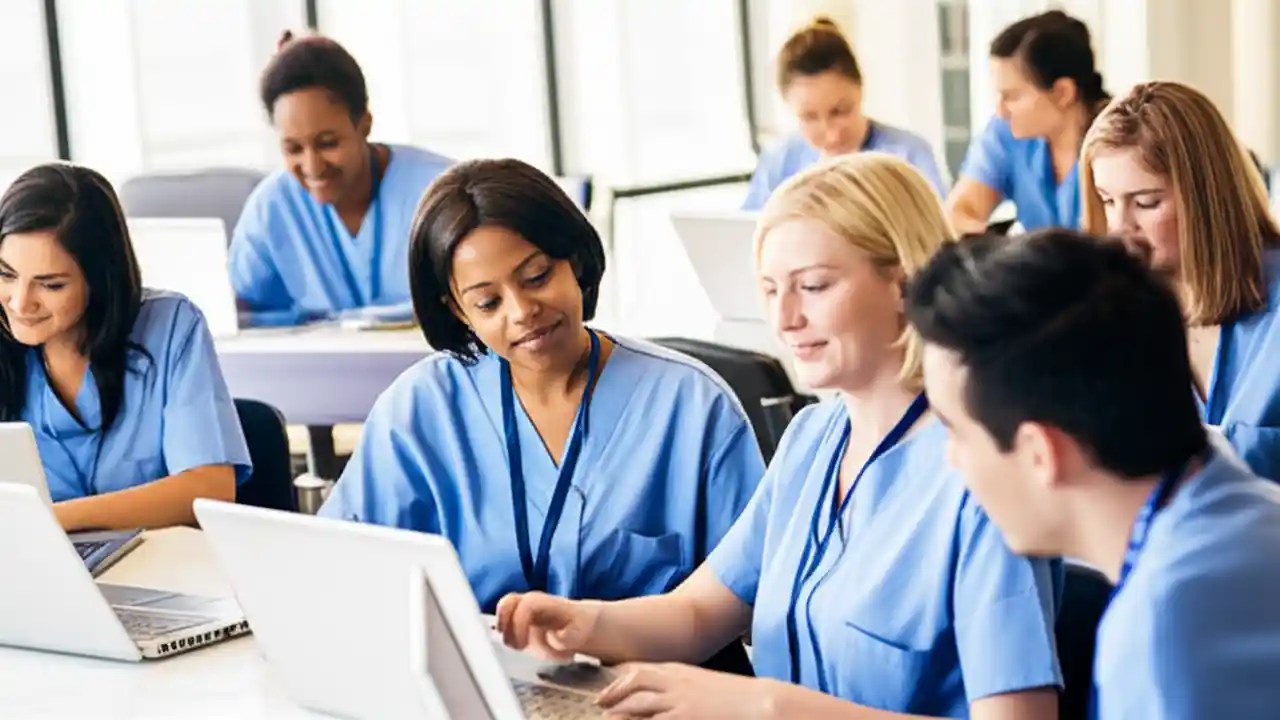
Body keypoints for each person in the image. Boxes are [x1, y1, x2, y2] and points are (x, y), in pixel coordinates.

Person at [498, 154, 1062, 719]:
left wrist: (767, 706)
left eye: (813, 287)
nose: (785, 319)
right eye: (770, 290)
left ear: (904, 283)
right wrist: (585, 622)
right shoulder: (812, 439)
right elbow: (697, 613)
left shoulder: (984, 476)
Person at [318, 158, 764, 619]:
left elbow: (756, 596)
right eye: (487, 302)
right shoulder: (420, 409)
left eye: (537, 277)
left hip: (655, 682)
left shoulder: (690, 405)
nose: (522, 310)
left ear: (574, 261)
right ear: (457, 311)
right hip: (483, 679)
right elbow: (339, 567)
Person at [907, 228, 1280, 719]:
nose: (950, 458)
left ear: (1040, 452)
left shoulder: (1162, 632)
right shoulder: (1233, 500)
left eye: (956, 432)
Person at [0, 163, 251, 531]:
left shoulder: (170, 328)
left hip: (161, 571)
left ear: (100, 279)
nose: (20, 303)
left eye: (51, 285)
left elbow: (209, 486)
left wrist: (50, 520)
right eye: (6, 275)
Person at [1081, 80, 1280, 482]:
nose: (1120, 227)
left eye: (1146, 202)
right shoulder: (1110, 313)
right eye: (1107, 200)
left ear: (1206, 198)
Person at [229, 31, 452, 325]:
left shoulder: (439, 191)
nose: (312, 166)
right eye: (293, 148)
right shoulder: (271, 207)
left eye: (327, 143)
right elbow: (239, 318)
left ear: (364, 124)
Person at [743, 17, 944, 210]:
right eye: (810, 117)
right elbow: (744, 234)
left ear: (860, 89)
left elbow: (937, 236)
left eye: (840, 112)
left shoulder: (909, 155)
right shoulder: (780, 161)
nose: (832, 134)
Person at [946, 10, 1109, 233]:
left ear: (1063, 92)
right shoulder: (1004, 134)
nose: (1001, 111)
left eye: (1012, 96)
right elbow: (958, 215)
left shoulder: (1121, 139)